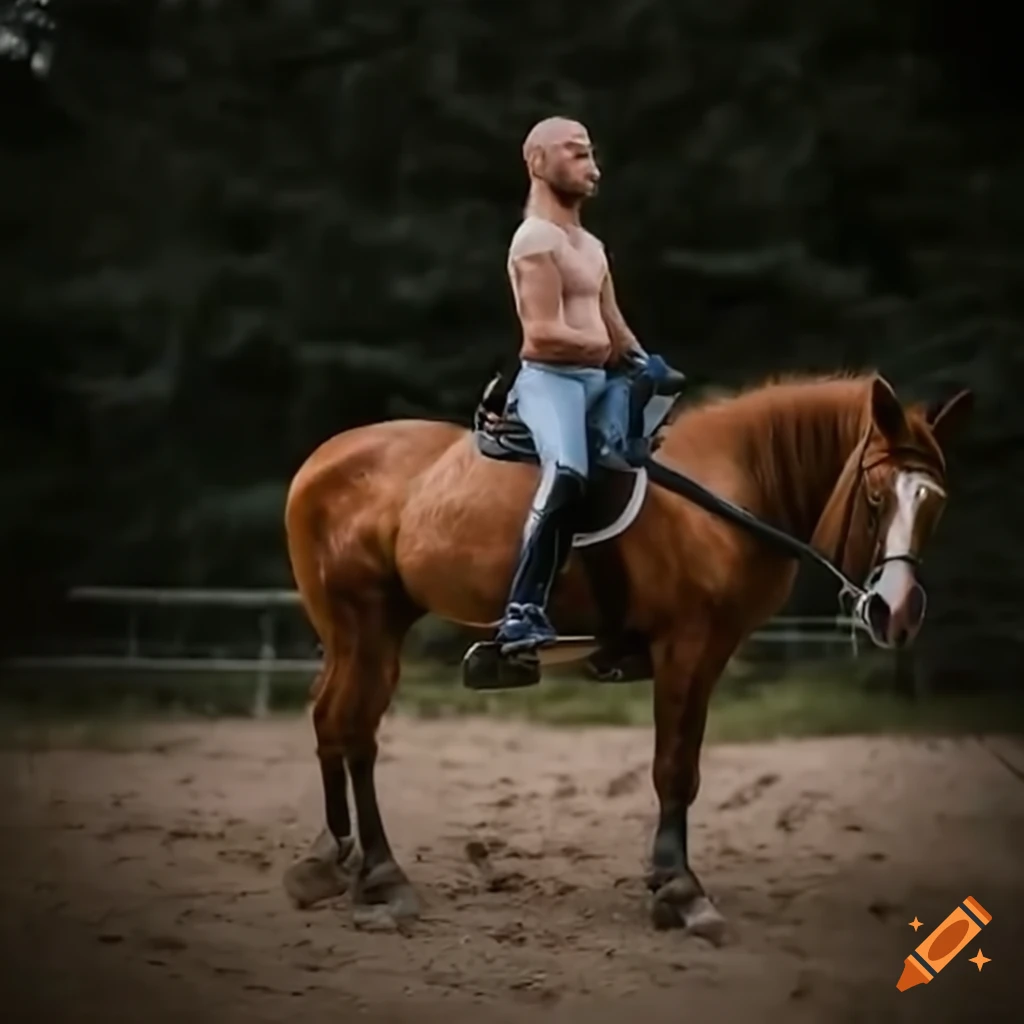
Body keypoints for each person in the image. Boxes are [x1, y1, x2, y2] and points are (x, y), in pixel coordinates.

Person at [494, 115, 679, 656]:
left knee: (636, 466)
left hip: (600, 381)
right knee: (570, 470)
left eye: (591, 156)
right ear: (537, 163)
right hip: (550, 382)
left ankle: (624, 618)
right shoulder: (534, 240)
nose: (593, 169)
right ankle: (522, 610)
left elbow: (614, 327)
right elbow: (541, 335)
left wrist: (650, 367)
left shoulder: (592, 246)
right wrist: (600, 349)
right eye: (577, 155)